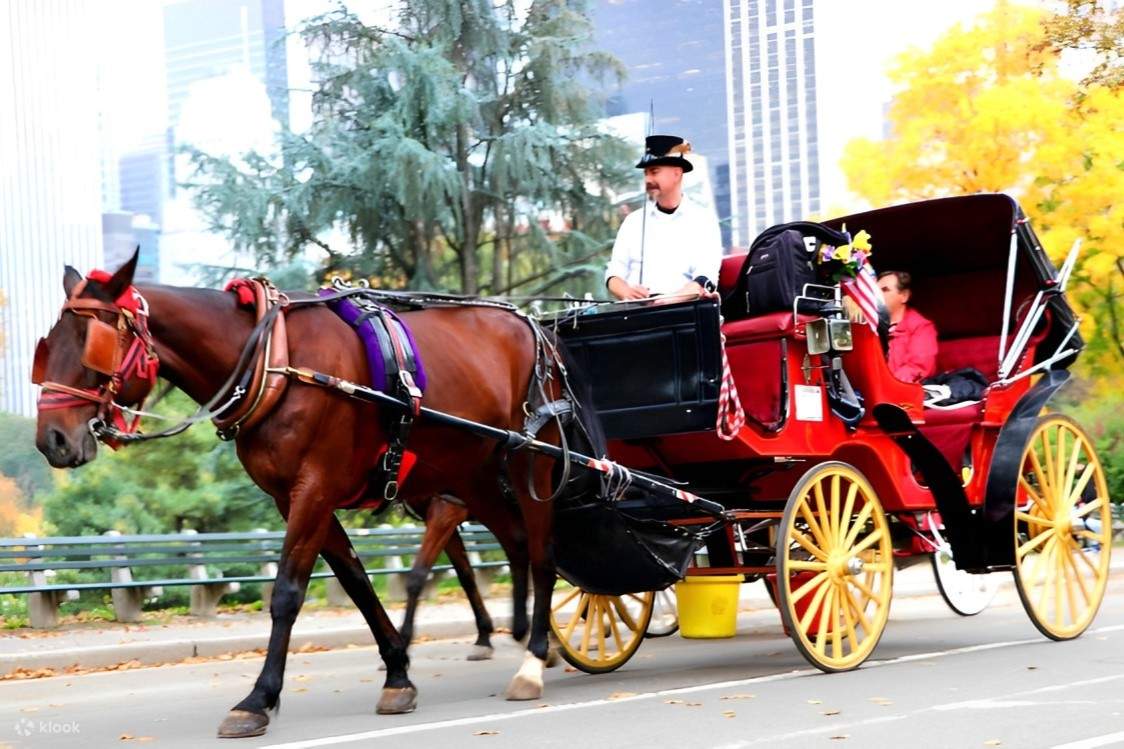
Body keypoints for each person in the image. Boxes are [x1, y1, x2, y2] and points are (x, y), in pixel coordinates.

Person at [605, 135, 723, 301]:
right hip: (635, 310)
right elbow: (613, 273)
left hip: (681, 308)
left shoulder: (702, 220)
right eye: (645, 173)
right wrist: (626, 292)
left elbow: (705, 277)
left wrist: (670, 300)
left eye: (654, 172)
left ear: (677, 173)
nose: (648, 180)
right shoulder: (633, 221)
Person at [878, 270, 938, 383]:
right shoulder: (871, 326)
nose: (877, 295)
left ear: (904, 296)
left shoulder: (921, 327)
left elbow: (917, 367)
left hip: (902, 390)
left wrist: (888, 384)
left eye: (885, 290)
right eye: (876, 290)